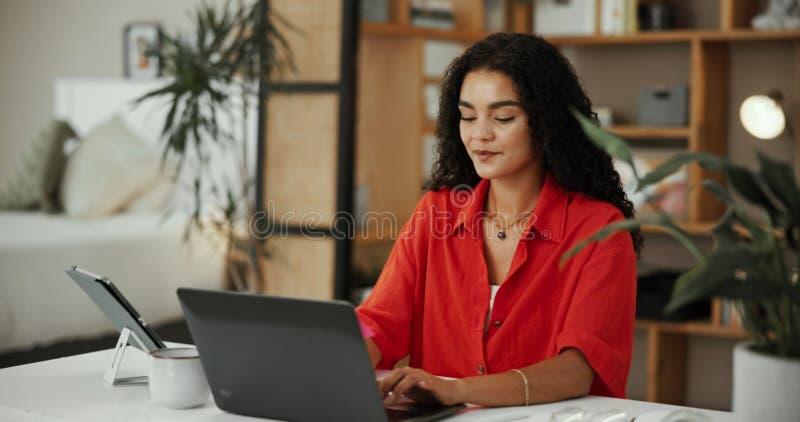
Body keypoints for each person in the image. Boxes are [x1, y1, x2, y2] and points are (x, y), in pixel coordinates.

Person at [355, 33, 642, 407]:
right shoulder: (436, 212)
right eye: (468, 116)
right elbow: (380, 323)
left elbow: (577, 368)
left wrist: (456, 391)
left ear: (546, 123)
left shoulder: (600, 229)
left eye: (503, 117)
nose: (479, 135)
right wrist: (337, 359)